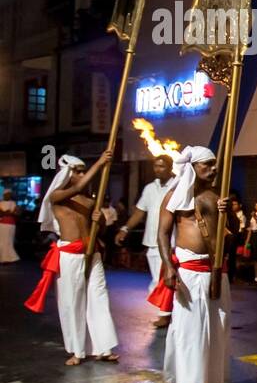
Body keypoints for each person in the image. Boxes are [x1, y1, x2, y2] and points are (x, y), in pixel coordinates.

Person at [151, 147, 235, 383]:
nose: (214, 169)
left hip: (216, 271)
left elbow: (234, 232)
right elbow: (163, 233)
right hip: (188, 272)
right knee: (184, 330)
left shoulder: (217, 195)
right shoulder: (174, 197)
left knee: (216, 329)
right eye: (207, 165)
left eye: (214, 164)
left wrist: (228, 212)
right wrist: (168, 266)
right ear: (193, 167)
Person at [24, 152, 120, 364]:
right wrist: (100, 162)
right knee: (72, 302)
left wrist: (100, 219)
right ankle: (77, 351)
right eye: (79, 171)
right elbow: (76, 188)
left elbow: (101, 227)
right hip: (69, 255)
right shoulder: (57, 196)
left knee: (99, 297)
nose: (83, 174)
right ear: (68, 173)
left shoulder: (89, 200)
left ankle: (104, 348)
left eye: (84, 170)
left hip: (92, 253)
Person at [116, 153, 176, 327]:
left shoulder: (178, 186)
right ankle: (167, 312)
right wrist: (125, 229)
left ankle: (166, 314)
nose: (157, 169)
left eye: (162, 166)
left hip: (172, 242)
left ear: (171, 167)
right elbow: (140, 212)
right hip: (152, 242)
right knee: (158, 280)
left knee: (165, 280)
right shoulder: (150, 188)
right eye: (155, 166)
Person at [1, 189, 21, 262]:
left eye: (9, 194)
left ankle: (9, 258)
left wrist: (9, 213)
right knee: (2, 241)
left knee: (9, 241)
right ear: (4, 195)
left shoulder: (14, 203)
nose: (8, 196)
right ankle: (3, 258)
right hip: (2, 224)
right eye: (6, 194)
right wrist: (6, 213)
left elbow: (18, 213)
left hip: (11, 224)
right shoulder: (1, 203)